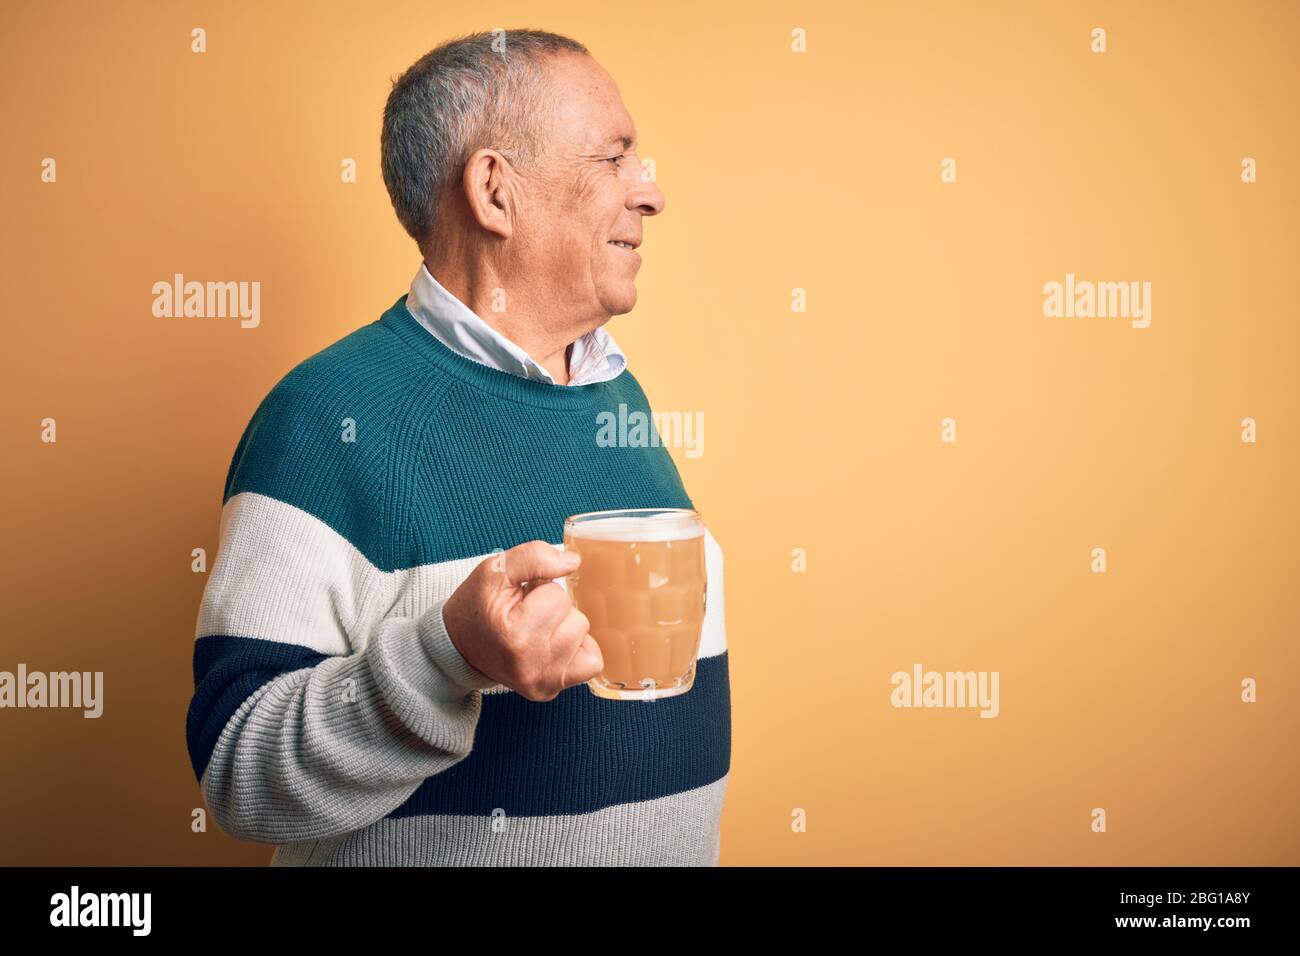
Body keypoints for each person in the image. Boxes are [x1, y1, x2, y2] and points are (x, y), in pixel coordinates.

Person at [185, 29, 731, 866]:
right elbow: (239, 772)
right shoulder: (323, 415)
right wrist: (450, 656)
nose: (650, 193)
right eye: (614, 159)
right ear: (494, 191)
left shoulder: (617, 395)